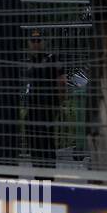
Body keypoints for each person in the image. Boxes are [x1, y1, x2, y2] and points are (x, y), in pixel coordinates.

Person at [23, 30, 67, 168]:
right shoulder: (29, 62)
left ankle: (48, 172)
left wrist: (59, 104)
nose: (36, 44)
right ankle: (38, 169)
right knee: (32, 134)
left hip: (47, 105)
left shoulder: (52, 58)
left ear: (44, 42)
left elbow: (62, 81)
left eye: (39, 41)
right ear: (28, 43)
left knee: (46, 138)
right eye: (33, 41)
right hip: (32, 107)